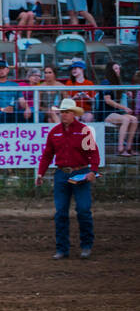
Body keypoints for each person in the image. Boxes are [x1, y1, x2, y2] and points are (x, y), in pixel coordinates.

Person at [36, 97, 98, 259]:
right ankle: (62, 248)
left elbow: (94, 153)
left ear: (74, 114)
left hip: (81, 173)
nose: (64, 115)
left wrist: (93, 170)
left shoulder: (83, 130)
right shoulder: (55, 132)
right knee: (61, 212)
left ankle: (86, 245)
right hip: (62, 174)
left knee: (83, 210)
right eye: (62, 112)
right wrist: (40, 173)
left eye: (67, 112)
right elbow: (47, 155)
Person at [98, 61, 137, 156]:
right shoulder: (106, 82)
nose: (118, 70)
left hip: (115, 113)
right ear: (110, 70)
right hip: (106, 113)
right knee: (125, 119)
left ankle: (128, 147)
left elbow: (118, 97)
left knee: (134, 119)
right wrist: (124, 108)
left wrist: (126, 94)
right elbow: (108, 100)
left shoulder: (117, 83)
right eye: (115, 68)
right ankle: (120, 148)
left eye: (118, 68)